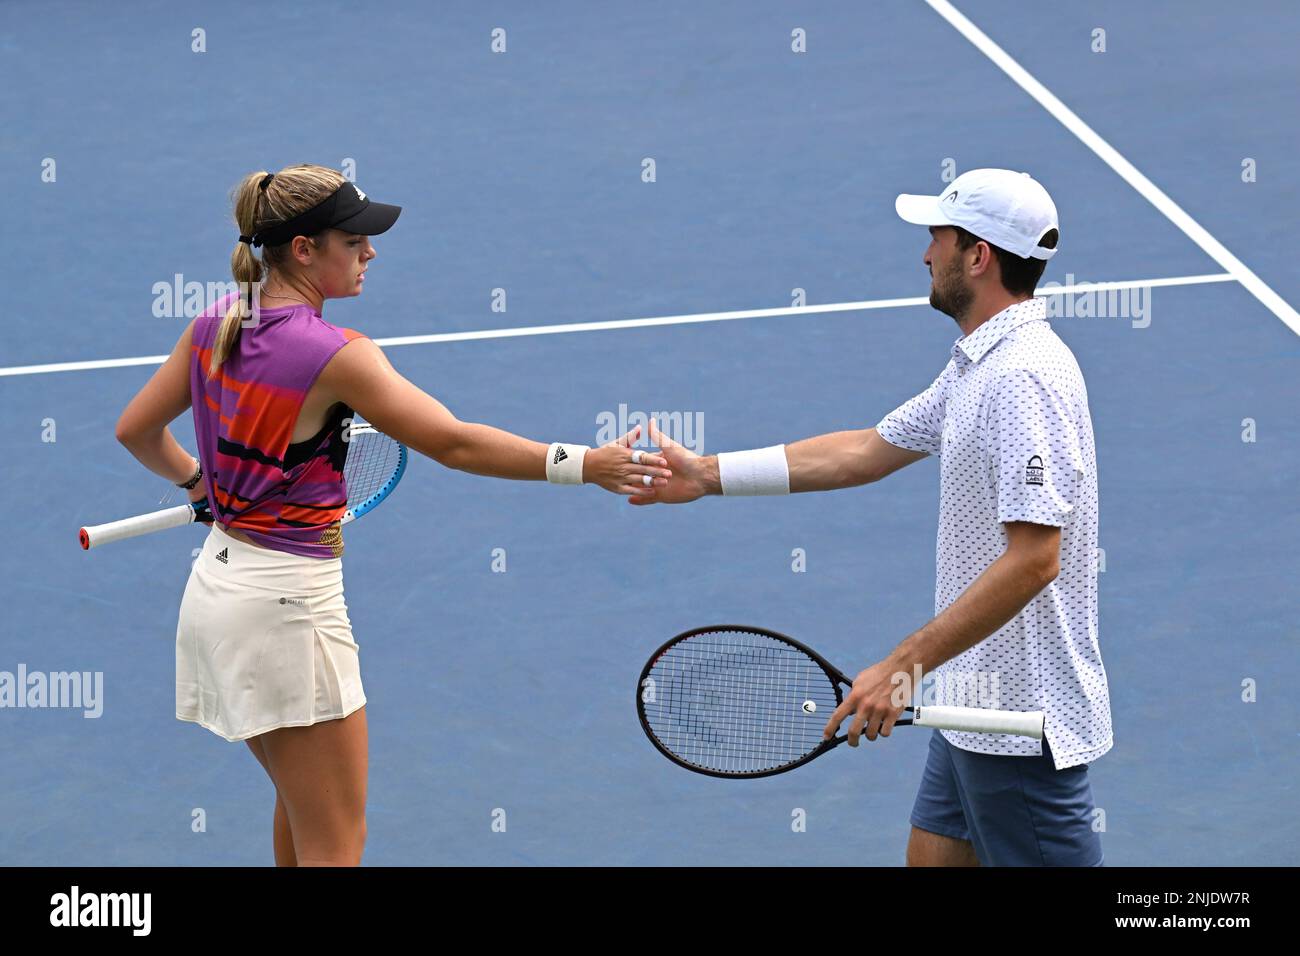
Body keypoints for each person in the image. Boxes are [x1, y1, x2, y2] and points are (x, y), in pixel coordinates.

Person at [113, 163, 671, 866]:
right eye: (355, 240)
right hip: (288, 613)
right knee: (337, 845)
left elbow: (134, 431)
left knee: (301, 813)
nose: (371, 252)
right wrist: (583, 464)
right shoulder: (338, 356)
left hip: (219, 594)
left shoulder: (215, 325)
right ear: (306, 249)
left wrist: (199, 482)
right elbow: (454, 442)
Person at [634, 169, 1111, 866]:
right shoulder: (980, 364)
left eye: (937, 238)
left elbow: (1037, 558)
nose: (925, 254)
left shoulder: (1022, 379)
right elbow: (865, 451)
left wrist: (902, 666)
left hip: (1014, 719)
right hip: (971, 696)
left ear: (977, 256)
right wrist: (707, 475)